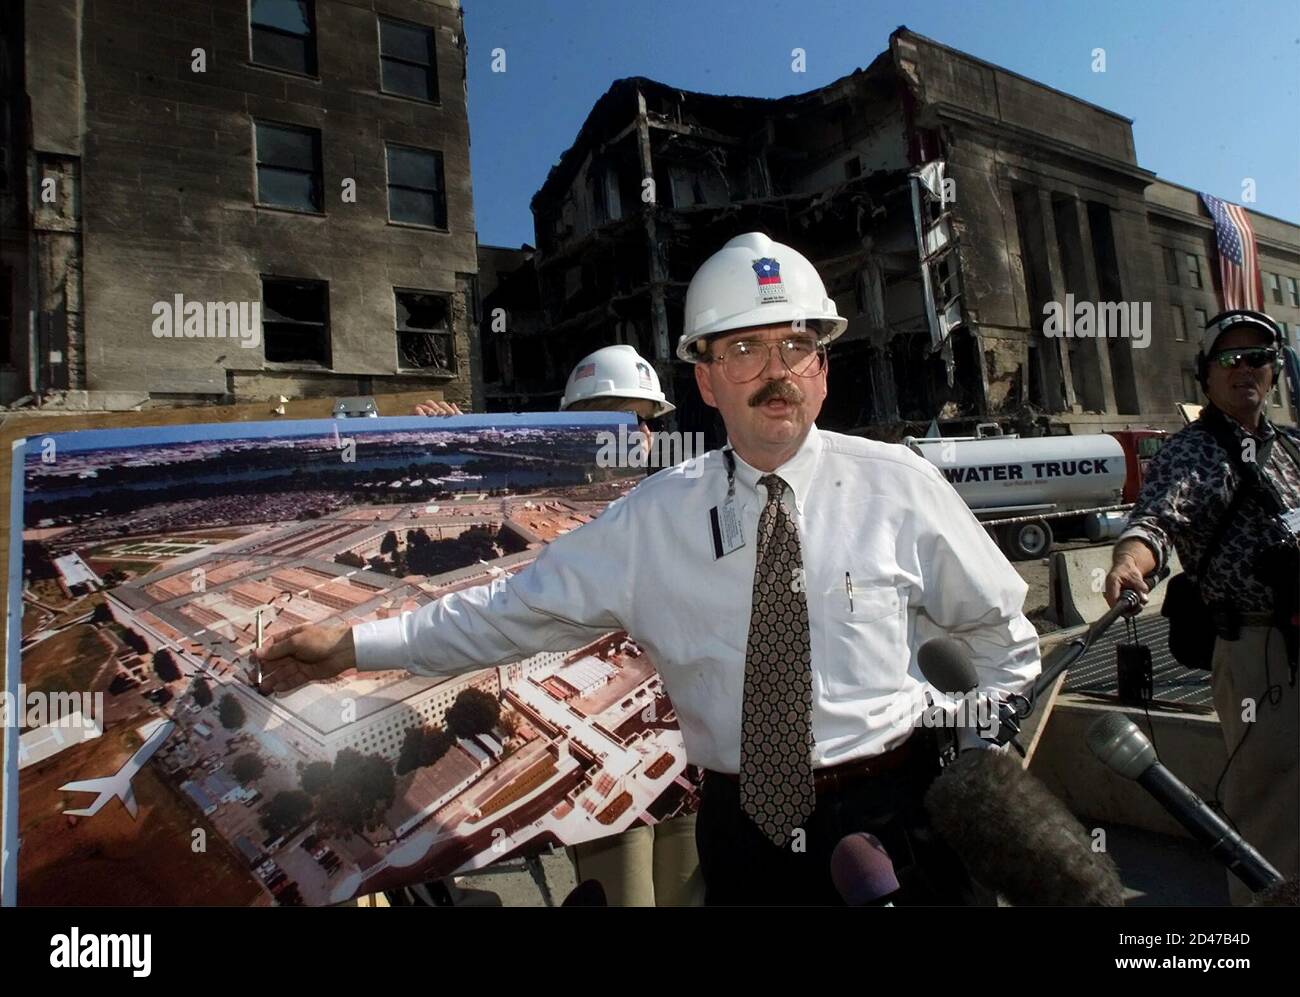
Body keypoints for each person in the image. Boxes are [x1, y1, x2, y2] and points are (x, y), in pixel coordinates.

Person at [257, 231, 1041, 905]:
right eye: (744, 348)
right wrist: (355, 642)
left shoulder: (900, 486)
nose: (778, 370)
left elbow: (1003, 637)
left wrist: (972, 760)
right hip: (751, 839)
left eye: (797, 345)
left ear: (824, 368)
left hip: (901, 816)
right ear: (705, 380)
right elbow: (503, 612)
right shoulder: (651, 521)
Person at [414, 345, 703, 908]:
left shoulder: (674, 500)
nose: (635, 434)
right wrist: (441, 444)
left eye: (643, 421)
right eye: (616, 418)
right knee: (629, 899)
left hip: (687, 744)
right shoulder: (538, 505)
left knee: (688, 896)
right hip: (611, 753)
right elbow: (463, 531)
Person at [1104, 309, 1300, 904]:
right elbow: (1155, 521)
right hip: (1258, 654)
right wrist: (1129, 561)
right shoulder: (1191, 452)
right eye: (1230, 359)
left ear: (1275, 372)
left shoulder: (1290, 446)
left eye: (1259, 359)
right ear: (1206, 376)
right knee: (1268, 809)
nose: (1246, 370)